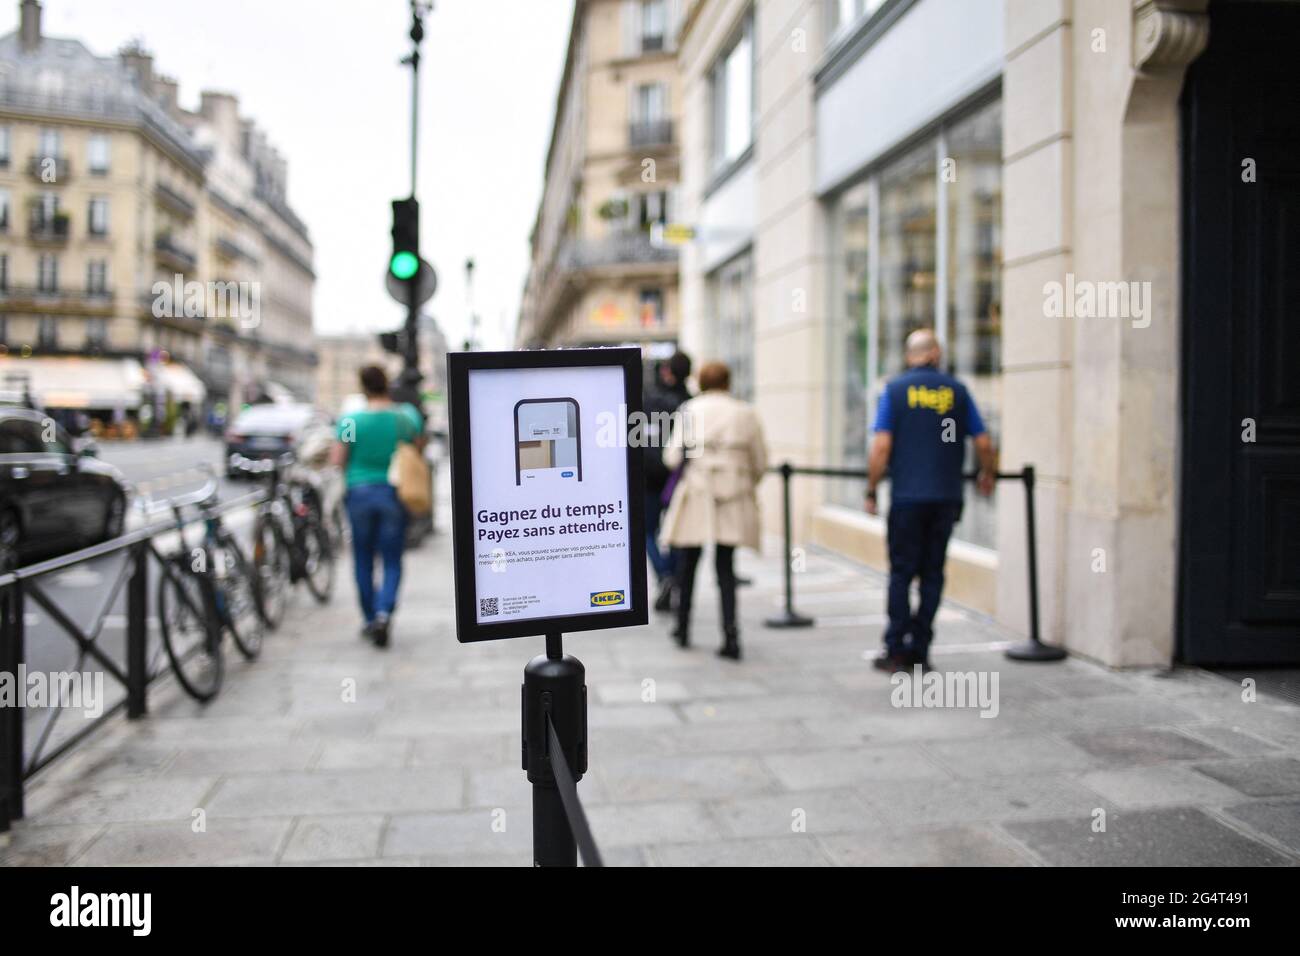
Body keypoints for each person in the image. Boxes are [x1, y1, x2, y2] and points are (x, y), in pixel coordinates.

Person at [865, 328, 997, 673]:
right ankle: (920, 650)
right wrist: (988, 473)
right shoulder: (957, 391)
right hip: (945, 497)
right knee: (933, 574)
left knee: (901, 573)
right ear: (936, 353)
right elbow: (983, 442)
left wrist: (871, 489)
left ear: (910, 356)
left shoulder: (895, 391)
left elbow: (881, 447)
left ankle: (896, 649)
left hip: (907, 498)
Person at [661, 361, 767, 661]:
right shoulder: (745, 412)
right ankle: (731, 637)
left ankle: (682, 628)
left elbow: (671, 457)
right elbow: (760, 462)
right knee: (726, 569)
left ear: (702, 382)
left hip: (697, 493)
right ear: (727, 381)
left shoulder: (689, 410)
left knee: (687, 565)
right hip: (732, 496)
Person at [331, 365, 420, 647]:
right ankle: (384, 612)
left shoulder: (350, 421)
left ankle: (370, 618)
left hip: (358, 494)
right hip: (393, 493)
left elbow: (338, 459)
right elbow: (417, 447)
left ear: (363, 387)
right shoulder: (405, 417)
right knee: (392, 558)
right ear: (386, 384)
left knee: (363, 558)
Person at [643, 351, 692, 612]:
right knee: (676, 531)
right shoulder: (689, 402)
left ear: (667, 372)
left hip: (649, 477)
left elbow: (637, 437)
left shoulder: (648, 400)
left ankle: (664, 575)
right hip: (677, 477)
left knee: (647, 531)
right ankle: (671, 575)